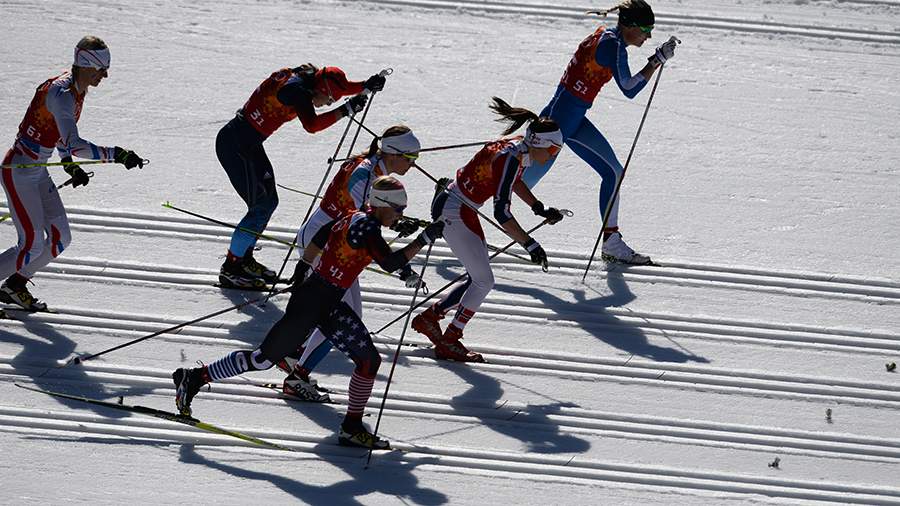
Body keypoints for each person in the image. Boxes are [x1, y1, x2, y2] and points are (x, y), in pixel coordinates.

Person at [173, 176, 444, 449]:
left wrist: (303, 266)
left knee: (368, 361)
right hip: (311, 305)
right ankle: (194, 377)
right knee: (263, 360)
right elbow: (389, 262)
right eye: (399, 209)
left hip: (325, 302)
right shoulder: (368, 228)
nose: (401, 214)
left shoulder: (356, 215)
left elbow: (323, 235)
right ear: (384, 205)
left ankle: (351, 427)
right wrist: (423, 238)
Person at [520, 0, 679, 265]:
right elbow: (629, 88)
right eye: (645, 29)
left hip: (570, 119)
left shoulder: (607, 36)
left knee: (614, 172)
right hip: (557, 127)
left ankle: (611, 242)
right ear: (628, 26)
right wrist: (656, 60)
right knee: (516, 181)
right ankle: (457, 204)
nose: (648, 36)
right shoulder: (611, 45)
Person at [410, 98, 565, 363]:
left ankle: (430, 318)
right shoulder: (512, 157)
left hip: (458, 205)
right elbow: (501, 213)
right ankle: (450, 339)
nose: (553, 156)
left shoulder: (520, 147)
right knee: (484, 280)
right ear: (539, 143)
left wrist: (538, 207)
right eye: (552, 151)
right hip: (455, 211)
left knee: (477, 276)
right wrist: (529, 244)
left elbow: (512, 182)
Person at [278, 126, 424, 402]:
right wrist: (404, 264)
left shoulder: (373, 170)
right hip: (327, 245)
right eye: (410, 159)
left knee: (340, 312)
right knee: (343, 314)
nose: (412, 166)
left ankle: (296, 356)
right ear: (393, 154)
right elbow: (363, 225)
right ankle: (297, 374)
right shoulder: (366, 176)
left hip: (332, 243)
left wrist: (398, 221)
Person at [0, 36, 144, 311]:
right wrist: (116, 154)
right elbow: (76, 145)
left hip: (37, 171)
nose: (106, 75)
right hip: (19, 171)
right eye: (102, 69)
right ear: (89, 65)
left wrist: (66, 162)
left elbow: (61, 138)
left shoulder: (75, 89)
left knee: (59, 238)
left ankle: (15, 284)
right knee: (29, 245)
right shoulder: (63, 95)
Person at [217, 64, 387, 289]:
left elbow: (339, 87)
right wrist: (345, 110)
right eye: (328, 100)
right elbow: (312, 125)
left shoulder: (310, 79)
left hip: (246, 143)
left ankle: (243, 258)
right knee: (261, 207)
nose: (327, 104)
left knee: (267, 204)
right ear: (321, 90)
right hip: (236, 146)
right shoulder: (296, 90)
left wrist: (365, 86)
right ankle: (231, 268)